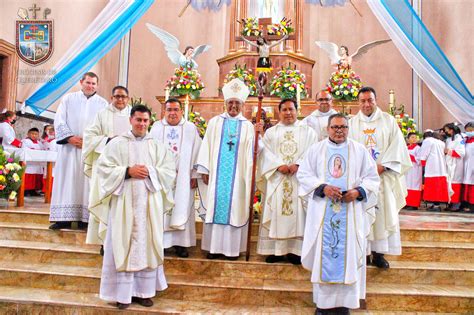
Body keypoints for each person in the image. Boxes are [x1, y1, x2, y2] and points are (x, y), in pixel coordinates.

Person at [93, 105, 176, 309]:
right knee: (123, 243)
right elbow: (103, 169)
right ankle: (122, 295)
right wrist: (127, 172)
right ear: (131, 120)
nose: (142, 124)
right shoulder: (116, 144)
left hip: (149, 204)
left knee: (147, 244)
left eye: (146, 121)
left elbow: (169, 171)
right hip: (123, 205)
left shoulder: (156, 145)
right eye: (138, 120)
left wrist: (151, 172)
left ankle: (144, 292)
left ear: (150, 122)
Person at [297, 113, 380, 315]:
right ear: (328, 129)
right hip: (323, 214)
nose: (339, 131)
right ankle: (323, 305)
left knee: (349, 255)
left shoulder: (359, 150)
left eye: (343, 127)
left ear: (348, 128)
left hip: (350, 214)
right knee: (323, 256)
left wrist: (358, 192)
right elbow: (303, 175)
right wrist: (322, 187)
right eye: (335, 127)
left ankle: (344, 304)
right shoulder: (316, 150)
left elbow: (372, 178)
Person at [348, 86, 411, 269]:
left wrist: (382, 166)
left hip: (383, 177)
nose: (367, 104)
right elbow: (348, 149)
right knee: (362, 216)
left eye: (370, 100)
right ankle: (363, 252)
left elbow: (397, 146)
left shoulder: (388, 121)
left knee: (382, 215)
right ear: (358, 102)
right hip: (360, 181)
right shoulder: (351, 123)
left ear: (376, 100)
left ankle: (379, 254)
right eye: (363, 101)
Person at [196, 78, 254, 260]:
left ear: (243, 105)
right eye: (231, 103)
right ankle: (213, 248)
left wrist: (258, 136)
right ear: (225, 103)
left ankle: (231, 250)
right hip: (216, 175)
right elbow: (206, 145)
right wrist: (204, 169)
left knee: (235, 208)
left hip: (237, 178)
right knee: (216, 205)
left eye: (237, 103)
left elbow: (253, 150)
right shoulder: (215, 122)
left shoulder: (248, 126)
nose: (234, 106)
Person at [256, 98, 316, 264]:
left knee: (299, 214)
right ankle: (276, 251)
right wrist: (278, 165)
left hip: (299, 178)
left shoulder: (308, 132)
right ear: (279, 112)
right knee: (276, 211)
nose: (288, 113)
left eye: (291, 109)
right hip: (278, 178)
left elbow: (312, 152)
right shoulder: (271, 133)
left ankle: (296, 251)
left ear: (297, 111)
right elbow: (265, 153)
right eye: (285, 110)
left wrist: (298, 164)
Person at [49, 72, 108, 230]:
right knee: (67, 180)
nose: (90, 86)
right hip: (69, 149)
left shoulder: (103, 104)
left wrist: (91, 142)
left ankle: (86, 219)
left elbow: (106, 127)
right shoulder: (69, 99)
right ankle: (62, 219)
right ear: (81, 82)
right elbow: (59, 119)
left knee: (88, 182)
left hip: (90, 151)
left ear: (97, 85)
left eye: (93, 84)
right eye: (88, 82)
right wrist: (69, 138)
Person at [150, 98, 202, 258]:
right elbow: (149, 151)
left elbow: (197, 152)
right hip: (161, 178)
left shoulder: (190, 128)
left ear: (181, 111)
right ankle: (162, 243)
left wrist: (194, 175)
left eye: (175, 110)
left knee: (182, 207)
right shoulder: (156, 128)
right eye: (169, 110)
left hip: (183, 179)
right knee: (161, 210)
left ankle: (181, 244)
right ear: (164, 111)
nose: (172, 113)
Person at [83, 85, 132, 248]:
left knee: (125, 203)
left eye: (123, 97)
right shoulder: (102, 115)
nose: (120, 100)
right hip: (106, 167)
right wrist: (109, 140)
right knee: (105, 201)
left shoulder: (134, 115)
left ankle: (124, 242)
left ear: (128, 98)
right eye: (117, 96)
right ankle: (105, 242)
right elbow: (89, 136)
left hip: (128, 167)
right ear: (112, 98)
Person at [418, 130, 451, 211]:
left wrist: (422, 163)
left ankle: (435, 206)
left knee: (432, 187)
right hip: (441, 167)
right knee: (438, 187)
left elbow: (424, 153)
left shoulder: (427, 141)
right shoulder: (441, 142)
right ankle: (437, 205)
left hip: (432, 167)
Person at [443, 123, 465, 211]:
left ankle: (456, 204)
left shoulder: (459, 139)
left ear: (451, 130)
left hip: (456, 164)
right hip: (449, 164)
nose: (445, 132)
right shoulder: (449, 139)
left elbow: (461, 153)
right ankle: (450, 202)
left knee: (455, 183)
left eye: (446, 130)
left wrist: (448, 151)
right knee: (449, 183)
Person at [21, 127, 44, 196]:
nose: (34, 135)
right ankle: (26, 190)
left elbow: (43, 150)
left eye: (36, 134)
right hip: (29, 164)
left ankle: (34, 190)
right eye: (32, 133)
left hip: (37, 163)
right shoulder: (25, 141)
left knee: (36, 177)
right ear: (28, 134)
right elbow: (24, 149)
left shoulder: (40, 143)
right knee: (28, 176)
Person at [405, 132, 422, 210]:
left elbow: (419, 159)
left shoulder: (418, 148)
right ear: (408, 139)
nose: (414, 139)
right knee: (407, 184)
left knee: (414, 185)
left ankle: (414, 204)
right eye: (412, 137)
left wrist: (409, 157)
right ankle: (408, 203)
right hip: (407, 170)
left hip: (415, 169)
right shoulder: (406, 148)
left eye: (415, 137)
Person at [462, 122, 474, 212]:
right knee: (467, 185)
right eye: (467, 130)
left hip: (472, 166)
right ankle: (467, 204)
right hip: (466, 165)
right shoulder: (466, 140)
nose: (469, 132)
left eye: (471, 130)